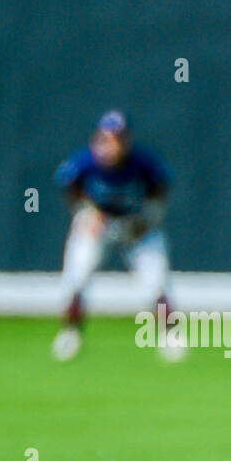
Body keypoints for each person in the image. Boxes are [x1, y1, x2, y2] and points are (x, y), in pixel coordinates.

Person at [50, 111, 183, 362]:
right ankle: (70, 334)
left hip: (136, 226)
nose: (111, 145)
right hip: (97, 226)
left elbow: (161, 189)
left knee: (156, 282)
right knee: (76, 278)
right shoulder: (84, 162)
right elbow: (69, 186)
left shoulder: (143, 162)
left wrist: (148, 218)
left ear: (127, 141)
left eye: (117, 139)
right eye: (106, 138)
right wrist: (87, 212)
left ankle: (170, 336)